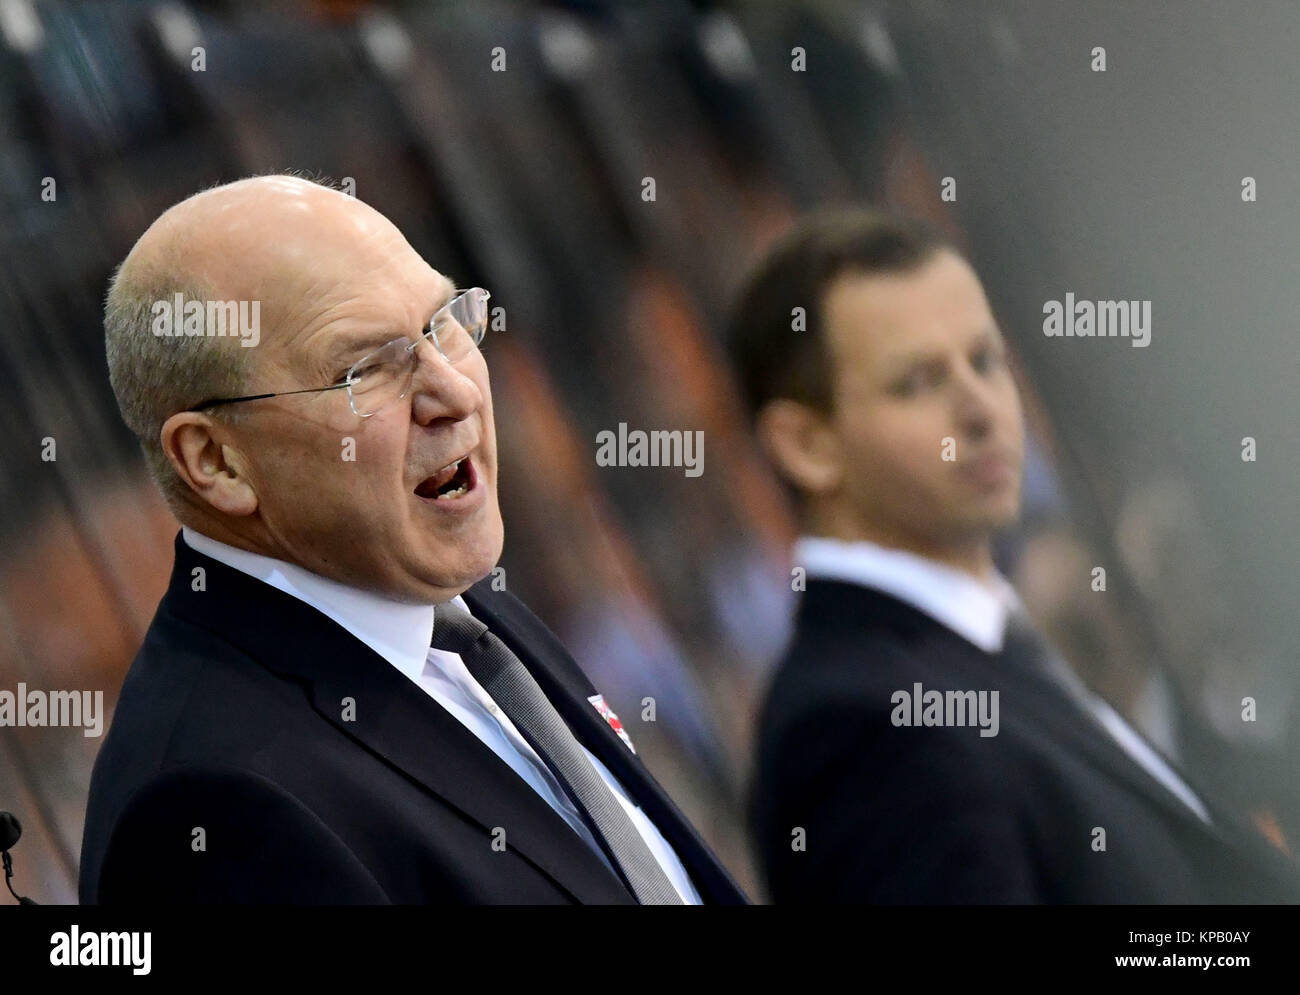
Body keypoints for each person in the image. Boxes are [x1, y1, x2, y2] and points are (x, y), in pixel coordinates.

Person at [79, 175, 748, 905]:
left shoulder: (454, 609)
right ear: (216, 461)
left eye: (446, 323)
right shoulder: (210, 809)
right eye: (366, 369)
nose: (455, 393)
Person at [730, 207, 1300, 902]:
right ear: (807, 446)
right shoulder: (860, 727)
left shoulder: (982, 649)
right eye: (917, 381)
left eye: (984, 360)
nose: (981, 409)